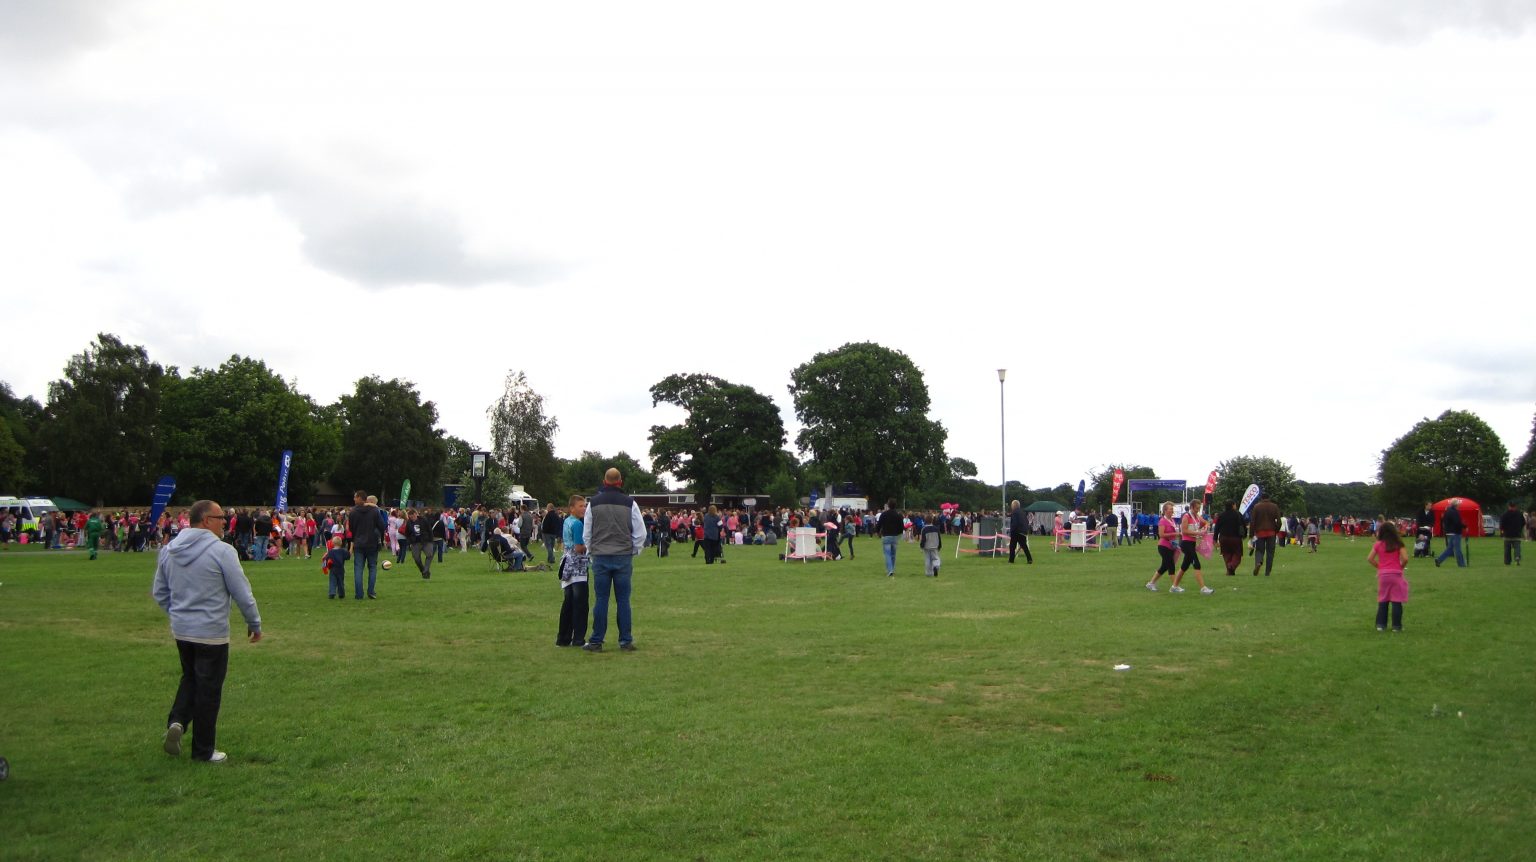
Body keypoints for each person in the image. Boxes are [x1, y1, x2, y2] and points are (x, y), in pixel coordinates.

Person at [151, 500, 263, 763]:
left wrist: (177, 613)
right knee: (209, 690)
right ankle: (203, 750)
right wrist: (254, 623)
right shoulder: (222, 551)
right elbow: (242, 592)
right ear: (205, 520)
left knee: (190, 677)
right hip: (211, 631)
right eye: (220, 517)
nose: (225, 521)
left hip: (182, 630)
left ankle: (177, 721)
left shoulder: (170, 550)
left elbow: (160, 591)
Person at [582, 468, 645, 652]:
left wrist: (591, 551)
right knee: (623, 600)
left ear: (604, 480)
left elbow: (587, 532)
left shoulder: (592, 503)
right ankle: (625, 640)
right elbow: (640, 532)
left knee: (601, 599)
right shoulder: (630, 503)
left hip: (600, 555)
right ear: (620, 481)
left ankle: (596, 640)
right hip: (623, 556)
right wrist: (633, 550)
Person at [556, 495, 590, 647]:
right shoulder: (577, 524)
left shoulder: (566, 521)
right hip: (577, 566)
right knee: (580, 603)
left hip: (566, 563)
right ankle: (578, 639)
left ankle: (563, 637)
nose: (584, 508)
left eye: (584, 506)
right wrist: (590, 546)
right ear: (572, 508)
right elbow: (579, 547)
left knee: (568, 603)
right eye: (581, 506)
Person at [1368, 520, 1409, 632]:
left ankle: (1381, 625)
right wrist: (1400, 567)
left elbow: (1370, 559)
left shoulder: (1378, 544)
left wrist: (1379, 567)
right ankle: (1396, 626)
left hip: (1383, 574)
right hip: (1396, 574)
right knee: (1396, 600)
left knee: (1383, 599)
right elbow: (1405, 558)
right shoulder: (1398, 543)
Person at [1173, 500, 1214, 595]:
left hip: (1191, 543)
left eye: (1199, 508)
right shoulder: (1186, 516)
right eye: (1196, 508)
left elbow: (1206, 523)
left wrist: (1205, 528)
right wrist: (1198, 533)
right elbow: (1184, 531)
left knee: (1184, 566)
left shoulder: (1197, 517)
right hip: (1186, 543)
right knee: (1197, 564)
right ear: (1191, 507)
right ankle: (1203, 588)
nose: (1198, 510)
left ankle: (1174, 586)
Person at [347, 491, 383, 599]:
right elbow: (382, 525)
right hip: (372, 543)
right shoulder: (374, 511)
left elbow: (351, 529)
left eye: (355, 497)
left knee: (358, 569)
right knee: (372, 567)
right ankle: (371, 592)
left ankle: (359, 594)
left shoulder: (353, 512)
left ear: (360, 498)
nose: (354, 499)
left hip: (359, 543)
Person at [1146, 501, 1179, 592]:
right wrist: (1175, 533)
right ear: (1165, 510)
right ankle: (1175, 586)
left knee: (1164, 566)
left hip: (1171, 546)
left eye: (1172, 509)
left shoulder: (1172, 520)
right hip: (1164, 546)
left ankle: (1151, 583)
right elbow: (1161, 534)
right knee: (1171, 565)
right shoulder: (1162, 521)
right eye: (1170, 509)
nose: (1172, 510)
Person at [1249, 492, 1282, 576]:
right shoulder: (1274, 506)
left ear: (1261, 498)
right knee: (1270, 553)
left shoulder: (1256, 506)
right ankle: (1267, 572)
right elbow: (1279, 521)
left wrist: (1251, 534)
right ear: (1269, 498)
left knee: (1259, 550)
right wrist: (1276, 531)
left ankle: (1258, 562)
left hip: (1259, 532)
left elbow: (1252, 522)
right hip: (1271, 532)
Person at [1213, 500, 1247, 576]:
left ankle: (1230, 572)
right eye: (1235, 504)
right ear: (1233, 505)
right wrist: (1244, 535)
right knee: (1237, 555)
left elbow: (1216, 528)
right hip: (1235, 538)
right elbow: (1243, 525)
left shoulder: (1221, 515)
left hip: (1223, 538)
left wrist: (1215, 538)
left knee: (1226, 554)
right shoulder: (1238, 514)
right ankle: (1231, 566)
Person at [1435, 501, 1467, 568]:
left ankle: (1439, 560)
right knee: (1458, 549)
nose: (1459, 506)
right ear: (1456, 505)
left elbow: (1443, 520)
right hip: (1455, 532)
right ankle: (1461, 564)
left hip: (1449, 532)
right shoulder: (1454, 512)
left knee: (1449, 549)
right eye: (1458, 505)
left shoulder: (1448, 511)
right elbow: (1457, 522)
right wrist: (1464, 526)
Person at [877, 499, 904, 577]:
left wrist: (877, 531)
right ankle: (892, 569)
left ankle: (890, 570)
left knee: (887, 554)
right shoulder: (898, 515)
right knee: (893, 554)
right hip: (895, 536)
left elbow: (879, 525)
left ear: (888, 505)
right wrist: (898, 533)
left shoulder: (884, 514)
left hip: (886, 536)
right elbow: (901, 527)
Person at [404, 509, 433, 579]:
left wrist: (431, 540)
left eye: (413, 517)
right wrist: (409, 542)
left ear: (415, 514)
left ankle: (426, 569)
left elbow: (429, 529)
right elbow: (407, 533)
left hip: (426, 541)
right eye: (410, 517)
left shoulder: (423, 520)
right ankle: (423, 570)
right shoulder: (409, 523)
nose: (412, 519)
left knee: (429, 555)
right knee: (416, 558)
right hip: (415, 542)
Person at [1007, 500, 1033, 564]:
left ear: (1013, 506)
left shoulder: (1014, 512)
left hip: (1016, 531)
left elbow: (1014, 523)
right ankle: (1029, 559)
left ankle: (1011, 560)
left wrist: (1011, 531)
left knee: (1012, 546)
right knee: (1024, 546)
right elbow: (1027, 522)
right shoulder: (1022, 512)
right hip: (1023, 531)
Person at [1500, 501, 1524, 566]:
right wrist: (1519, 528)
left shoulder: (1505, 514)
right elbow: (1523, 522)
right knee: (1517, 547)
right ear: (1515, 506)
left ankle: (1507, 562)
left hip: (1507, 534)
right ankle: (1517, 557)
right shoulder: (1519, 514)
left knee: (1507, 549)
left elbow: (1502, 524)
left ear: (1509, 506)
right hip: (1517, 534)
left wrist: (1502, 532)